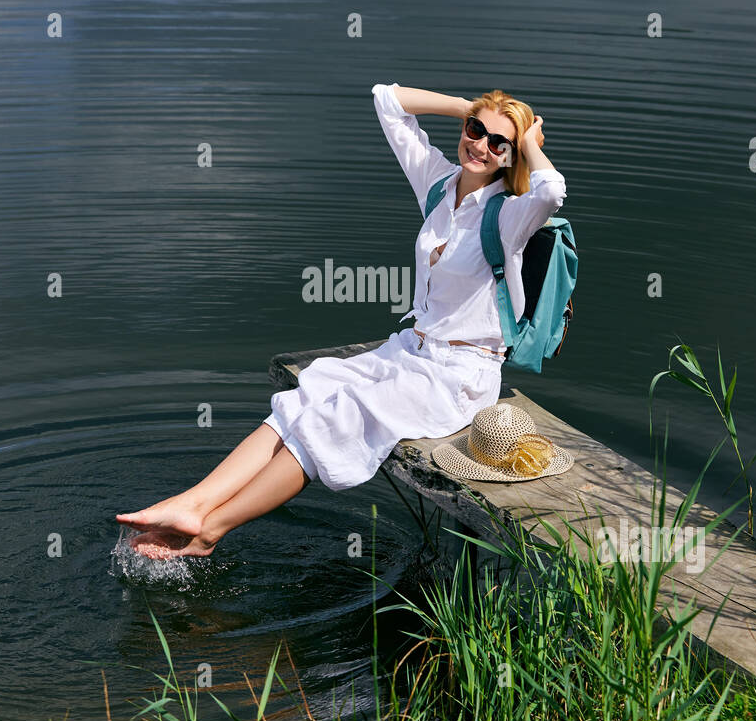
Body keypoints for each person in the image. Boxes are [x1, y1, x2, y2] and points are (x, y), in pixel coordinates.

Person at [116, 82, 566, 559]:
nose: (481, 146)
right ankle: (193, 503)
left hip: (458, 377)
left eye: (500, 144)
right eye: (476, 132)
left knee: (340, 415)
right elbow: (387, 101)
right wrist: (469, 108)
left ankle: (211, 531)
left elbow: (553, 191)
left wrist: (530, 143)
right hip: (410, 351)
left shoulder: (510, 216)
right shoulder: (439, 184)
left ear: (511, 157)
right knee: (309, 393)